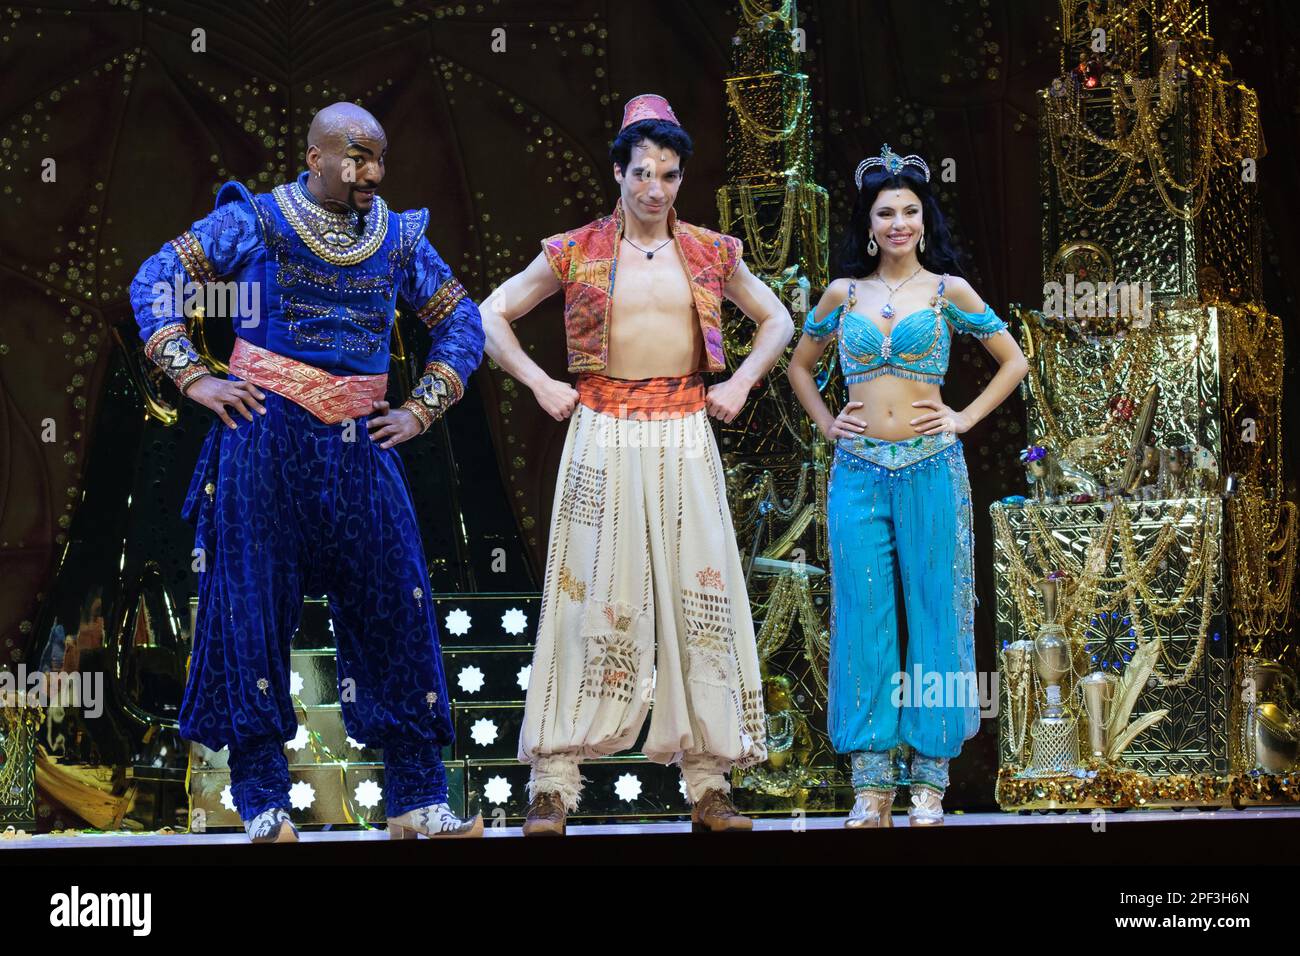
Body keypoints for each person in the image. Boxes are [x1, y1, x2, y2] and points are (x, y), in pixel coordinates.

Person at [128, 102, 485, 842]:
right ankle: (263, 803)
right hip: (265, 438)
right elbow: (156, 277)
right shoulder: (255, 220)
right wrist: (195, 376)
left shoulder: (397, 235)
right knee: (251, 612)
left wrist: (422, 407)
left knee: (399, 606)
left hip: (363, 444)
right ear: (316, 157)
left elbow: (461, 320)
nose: (373, 173)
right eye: (357, 158)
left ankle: (416, 802)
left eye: (380, 158)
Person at [482, 94, 794, 835]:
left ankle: (710, 782)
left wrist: (743, 381)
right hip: (602, 427)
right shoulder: (576, 248)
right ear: (618, 172)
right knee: (584, 593)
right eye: (643, 172)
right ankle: (553, 784)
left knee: (701, 593)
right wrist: (541, 382)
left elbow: (779, 317)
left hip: (685, 425)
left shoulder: (712, 252)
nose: (656, 188)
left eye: (670, 175)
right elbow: (490, 313)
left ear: (681, 179)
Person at [786, 146, 1028, 827]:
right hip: (858, 469)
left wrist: (963, 418)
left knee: (935, 612)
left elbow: (1013, 360)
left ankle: (928, 783)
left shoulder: (948, 291)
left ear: (925, 222)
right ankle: (872, 784)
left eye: (909, 212)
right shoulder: (843, 294)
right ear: (868, 225)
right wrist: (829, 422)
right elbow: (801, 366)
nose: (897, 223)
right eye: (885, 212)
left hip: (931, 465)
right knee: (864, 617)